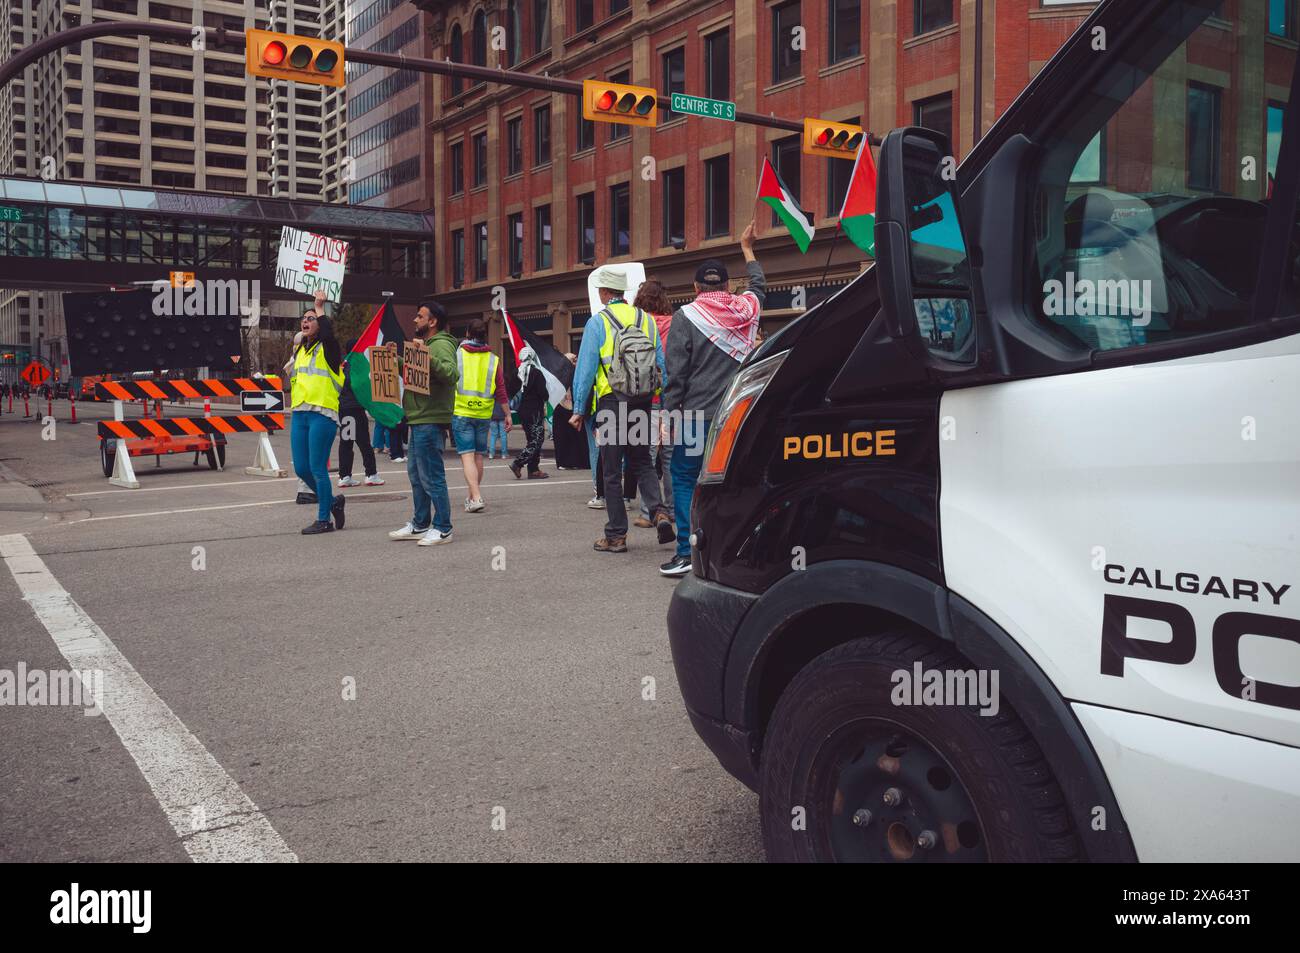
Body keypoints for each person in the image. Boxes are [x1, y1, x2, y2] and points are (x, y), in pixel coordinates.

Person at [659, 220, 765, 576]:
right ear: (727, 285)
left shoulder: (685, 317)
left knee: (687, 479)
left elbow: (676, 377)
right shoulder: (743, 311)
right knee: (732, 481)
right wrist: (747, 248)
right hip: (736, 415)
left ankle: (688, 552)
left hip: (694, 417)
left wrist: (668, 418)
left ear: (695, 287)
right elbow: (760, 287)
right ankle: (729, 549)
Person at [569, 263, 673, 553]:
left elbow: (586, 371)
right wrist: (662, 404)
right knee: (642, 462)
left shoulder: (598, 322)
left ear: (603, 292)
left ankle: (616, 535)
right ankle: (660, 512)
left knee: (612, 471)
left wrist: (578, 409)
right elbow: (662, 366)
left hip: (612, 403)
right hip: (643, 402)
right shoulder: (646, 320)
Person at [388, 300, 460, 546]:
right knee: (417, 476)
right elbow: (416, 375)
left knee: (431, 476)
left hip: (430, 418)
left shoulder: (440, 345)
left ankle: (442, 528)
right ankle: (420, 523)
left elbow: (450, 375)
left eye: (420, 316)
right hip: (419, 417)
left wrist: (425, 356)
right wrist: (396, 360)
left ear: (433, 321)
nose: (414, 320)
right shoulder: (427, 345)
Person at [284, 305, 347, 534]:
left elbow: (329, 334)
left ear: (320, 324)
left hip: (322, 413)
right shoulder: (300, 350)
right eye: (304, 318)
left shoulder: (328, 348)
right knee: (301, 469)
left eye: (311, 318)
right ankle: (332, 502)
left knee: (317, 468)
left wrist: (320, 307)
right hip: (300, 413)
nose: (306, 321)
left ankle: (324, 520)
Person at [451, 318, 510, 512]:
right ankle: (472, 497)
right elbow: (500, 389)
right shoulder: (493, 359)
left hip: (462, 411)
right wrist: (507, 414)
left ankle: (476, 497)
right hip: (484, 413)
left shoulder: (458, 354)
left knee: (467, 456)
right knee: (478, 456)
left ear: (468, 333)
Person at [631, 278, 675, 531]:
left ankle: (649, 512)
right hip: (672, 398)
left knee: (645, 458)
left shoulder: (637, 323)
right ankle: (671, 511)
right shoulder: (675, 323)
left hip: (643, 398)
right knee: (670, 459)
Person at [337, 337, 385, 488]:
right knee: (364, 443)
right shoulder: (357, 365)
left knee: (346, 443)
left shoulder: (342, 364)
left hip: (344, 409)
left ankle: (345, 475)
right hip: (355, 409)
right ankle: (371, 474)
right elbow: (361, 386)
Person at [508, 346, 550, 480]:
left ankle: (534, 469)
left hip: (522, 411)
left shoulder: (516, 373)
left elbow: (510, 391)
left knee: (531, 439)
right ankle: (518, 462)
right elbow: (544, 393)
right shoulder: (536, 373)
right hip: (535, 411)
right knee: (537, 439)